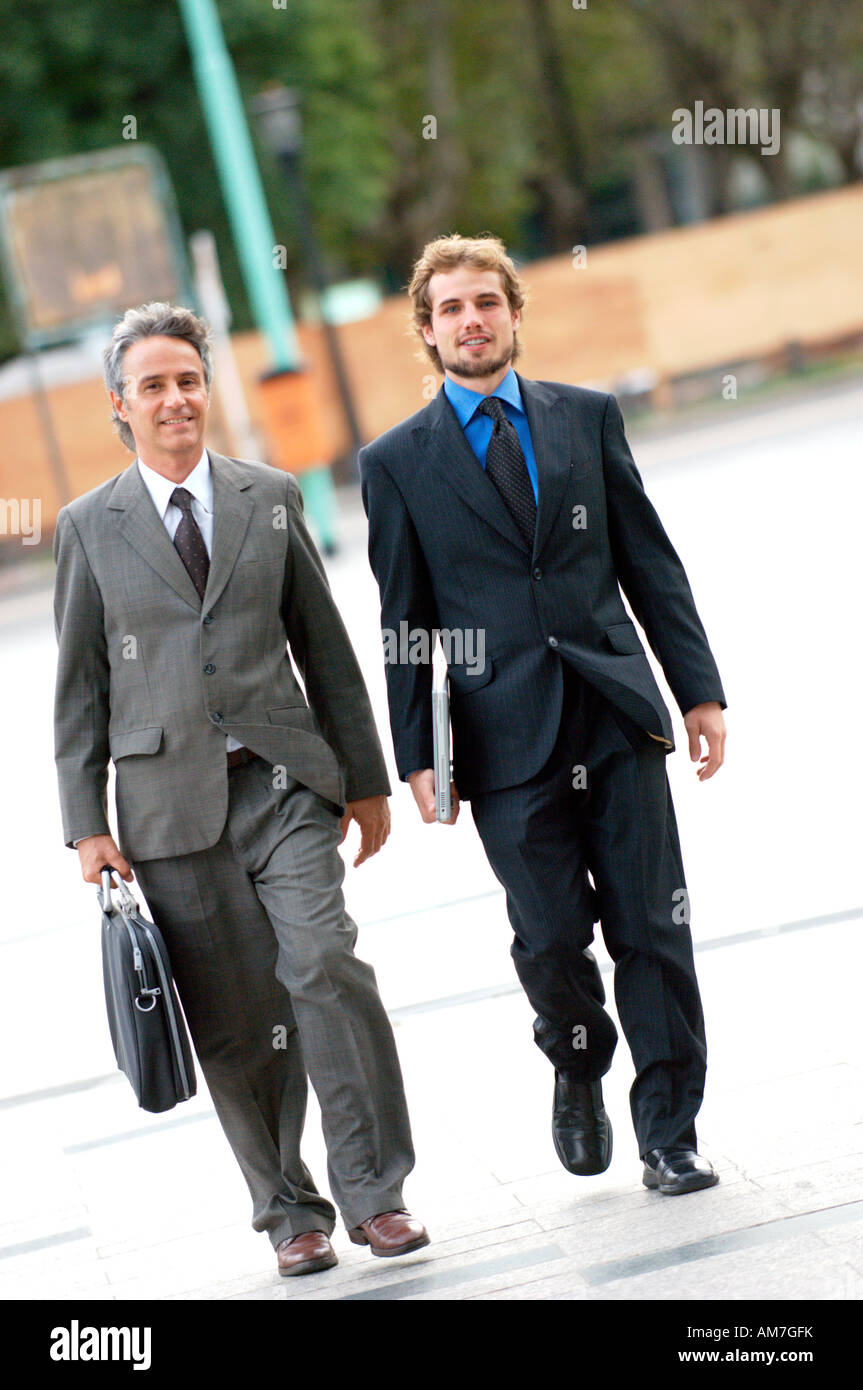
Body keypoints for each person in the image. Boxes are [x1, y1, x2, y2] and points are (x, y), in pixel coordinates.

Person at [53, 302, 428, 1277]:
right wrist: (85, 824)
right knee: (232, 1019)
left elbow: (324, 646)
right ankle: (287, 1211)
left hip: (284, 787)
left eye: (189, 379)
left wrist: (363, 779)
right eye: (153, 385)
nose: (175, 399)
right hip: (167, 811)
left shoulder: (269, 495)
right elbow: (79, 689)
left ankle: (375, 1193)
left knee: (325, 965)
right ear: (120, 405)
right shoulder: (88, 527)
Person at [359, 235, 727, 1197]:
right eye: (450, 309)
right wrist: (415, 752)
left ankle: (669, 1133)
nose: (471, 320)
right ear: (427, 330)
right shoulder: (395, 463)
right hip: (502, 739)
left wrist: (696, 688)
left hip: (614, 715)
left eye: (486, 302)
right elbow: (404, 619)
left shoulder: (586, 418)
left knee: (652, 929)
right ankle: (576, 1056)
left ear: (515, 313)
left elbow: (648, 559)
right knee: (552, 937)